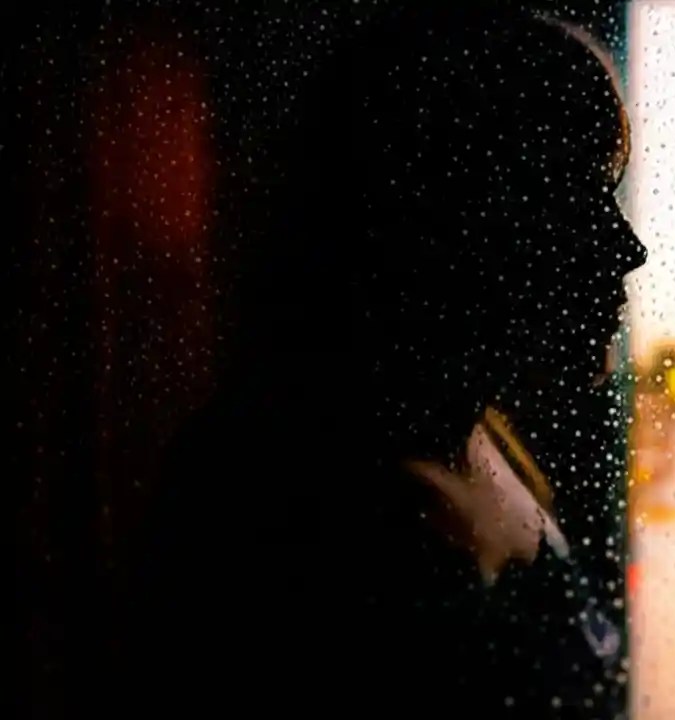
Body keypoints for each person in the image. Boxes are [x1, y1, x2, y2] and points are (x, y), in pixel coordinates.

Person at [123, 5, 646, 718]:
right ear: (453, 211)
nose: (626, 247)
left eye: (606, 196)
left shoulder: (463, 435)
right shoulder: (322, 514)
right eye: (572, 194)